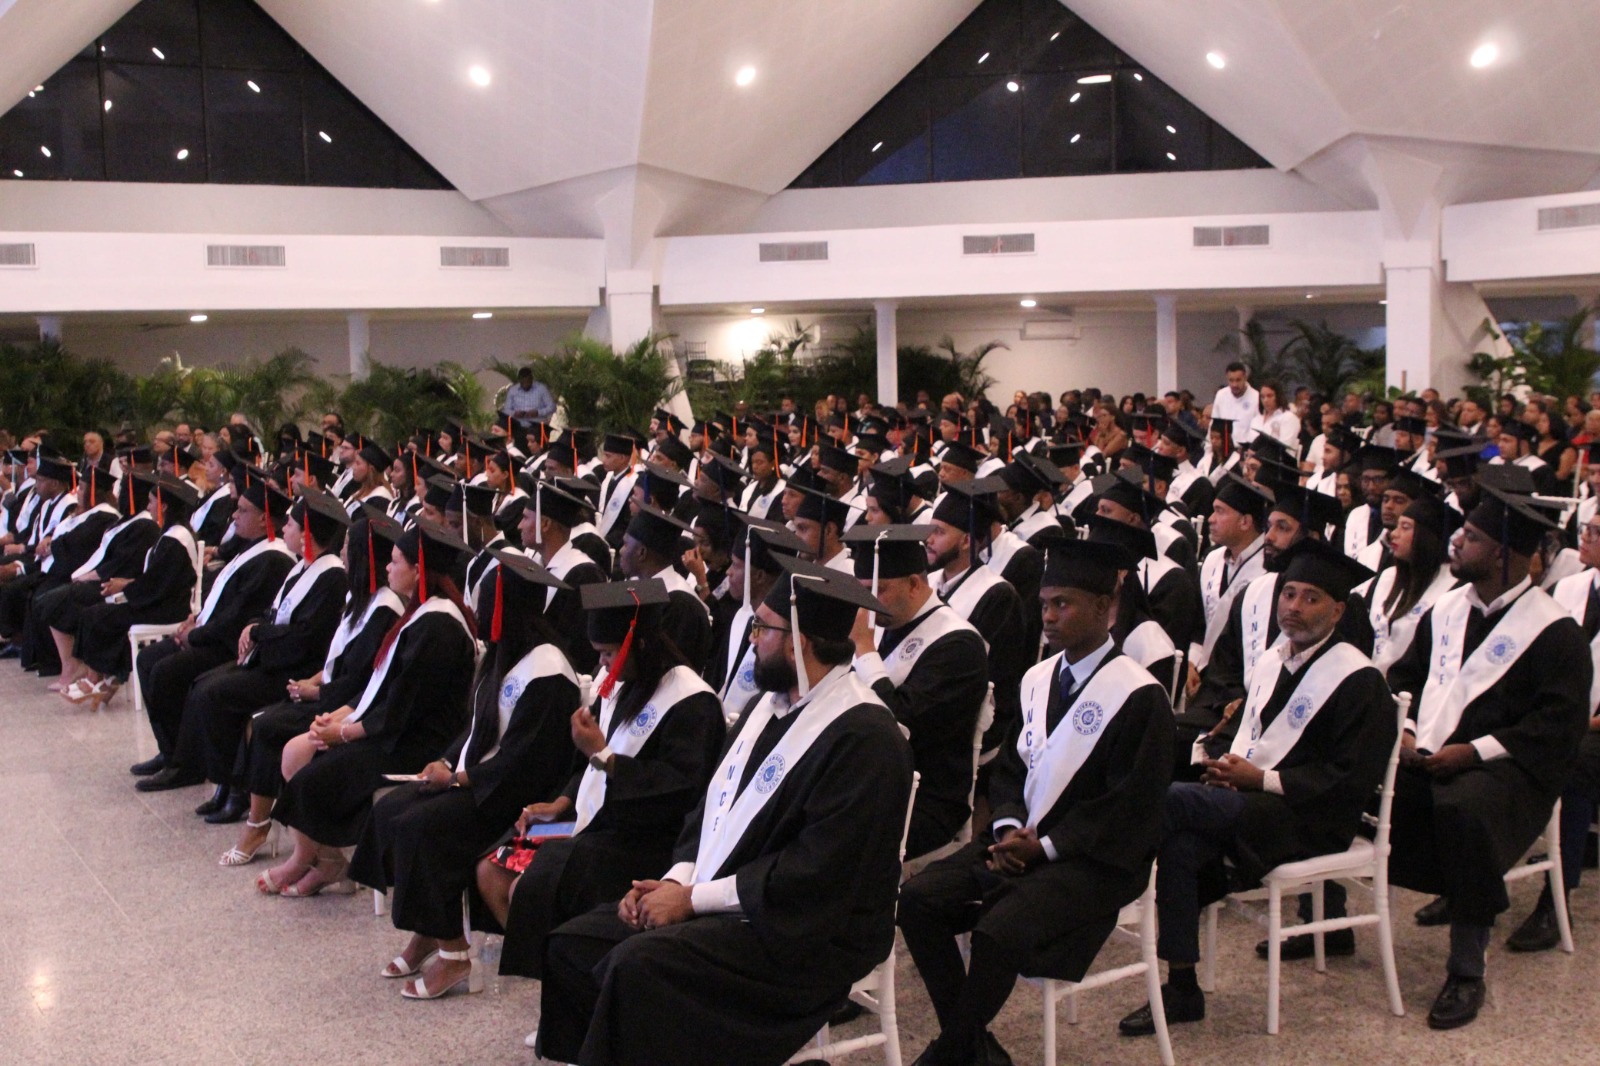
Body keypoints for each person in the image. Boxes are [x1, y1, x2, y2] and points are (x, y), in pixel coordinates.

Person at [534, 559, 914, 1066]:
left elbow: (814, 873)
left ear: (800, 640)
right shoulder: (768, 706)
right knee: (572, 945)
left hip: (806, 931)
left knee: (637, 967)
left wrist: (692, 901)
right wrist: (673, 881)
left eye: (763, 628)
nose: (753, 638)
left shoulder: (867, 738)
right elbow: (707, 810)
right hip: (732, 899)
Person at [899, 539, 1175, 1064]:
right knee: (917, 901)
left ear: (1103, 606)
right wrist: (1005, 828)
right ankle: (973, 1046)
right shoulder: (1037, 678)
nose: (1048, 617)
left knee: (999, 931)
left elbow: (1129, 807)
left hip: (1093, 857)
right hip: (1017, 837)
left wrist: (1044, 847)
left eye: (1063, 604)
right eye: (1045, 604)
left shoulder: (1140, 696)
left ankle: (952, 1051)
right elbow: (1012, 768)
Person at [1120, 538, 1393, 1037]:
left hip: (1314, 818)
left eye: (1311, 598)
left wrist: (1259, 778)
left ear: (1337, 609)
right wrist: (1222, 760)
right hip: (1253, 806)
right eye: (1289, 594)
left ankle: (1096, 870)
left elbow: (1349, 779)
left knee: (1168, 801)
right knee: (1179, 846)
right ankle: (1182, 988)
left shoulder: (1359, 681)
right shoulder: (1274, 659)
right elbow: (1247, 731)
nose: (1293, 607)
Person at [1385, 485, 1591, 1029]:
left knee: (1464, 810)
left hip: (1511, 771)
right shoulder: (1447, 611)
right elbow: (1404, 677)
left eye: (1471, 536)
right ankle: (1331, 922)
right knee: (1358, 785)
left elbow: (1556, 728)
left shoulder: (1554, 633)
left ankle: (1467, 966)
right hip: (1428, 754)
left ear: (1502, 552)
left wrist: (1474, 751)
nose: (1456, 541)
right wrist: (1405, 731)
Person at [477, 578, 725, 999]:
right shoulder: (623, 688)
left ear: (638, 645)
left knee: (529, 884)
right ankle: (558, 981)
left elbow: (679, 791)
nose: (605, 667)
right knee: (492, 869)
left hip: (642, 840)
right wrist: (561, 801)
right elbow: (589, 766)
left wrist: (607, 757)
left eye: (610, 654)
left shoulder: (690, 702)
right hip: (594, 822)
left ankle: (569, 991)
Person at [352, 550, 582, 999]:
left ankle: (455, 955)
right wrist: (444, 761)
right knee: (392, 809)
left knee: (421, 826)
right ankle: (430, 928)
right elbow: (475, 726)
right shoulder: (505, 653)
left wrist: (459, 780)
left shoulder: (548, 670)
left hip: (516, 796)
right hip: (482, 780)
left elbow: (526, 762)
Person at [260, 521, 480, 898]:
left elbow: (402, 709)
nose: (388, 569)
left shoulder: (438, 627)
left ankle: (321, 862)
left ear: (418, 570)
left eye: (395, 562)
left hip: (418, 745)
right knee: (301, 751)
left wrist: (344, 732)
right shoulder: (422, 612)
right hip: (395, 731)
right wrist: (342, 716)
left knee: (314, 777)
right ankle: (322, 860)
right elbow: (384, 689)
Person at [217, 514, 407, 866]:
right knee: (264, 720)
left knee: (266, 726)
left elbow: (363, 678)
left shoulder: (385, 609)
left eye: (349, 547)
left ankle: (261, 825)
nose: (343, 553)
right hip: (334, 694)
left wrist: (316, 695)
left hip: (351, 705)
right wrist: (316, 680)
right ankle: (279, 829)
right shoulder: (359, 599)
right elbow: (340, 659)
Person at [182, 490, 351, 823]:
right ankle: (224, 781)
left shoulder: (330, 577)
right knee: (203, 683)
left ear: (306, 534)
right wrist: (254, 625)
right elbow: (272, 612)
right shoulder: (302, 569)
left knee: (215, 694)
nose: (283, 529)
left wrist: (259, 633)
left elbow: (306, 636)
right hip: (272, 659)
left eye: (289, 524)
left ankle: (237, 789)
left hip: (293, 671)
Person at [130, 481, 296, 791]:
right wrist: (197, 619)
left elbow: (239, 615)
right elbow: (223, 600)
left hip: (229, 646)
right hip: (213, 633)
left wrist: (196, 635)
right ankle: (171, 752)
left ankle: (185, 765)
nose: (234, 516)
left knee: (167, 671)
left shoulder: (273, 558)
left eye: (243, 511)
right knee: (149, 659)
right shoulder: (251, 549)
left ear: (264, 519)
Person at [843, 524, 989, 859]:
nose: (868, 603)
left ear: (913, 584)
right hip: (864, 781)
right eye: (862, 591)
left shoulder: (958, 645)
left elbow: (903, 726)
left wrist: (865, 652)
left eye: (879, 590)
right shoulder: (880, 624)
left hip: (923, 797)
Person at [1512, 506, 1600, 951]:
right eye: (1588, 528)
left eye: (1597, 532)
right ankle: (1472, 881)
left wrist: (1582, 721)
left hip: (1595, 725)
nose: (1586, 537)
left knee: (1577, 762)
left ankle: (1554, 899)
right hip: (1565, 711)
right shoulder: (1570, 586)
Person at [55, 474, 202, 707]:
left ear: (163, 506)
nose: (148, 506)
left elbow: (158, 585)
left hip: (170, 608)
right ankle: (106, 677)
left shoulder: (176, 538)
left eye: (152, 501)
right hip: (160, 600)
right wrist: (127, 585)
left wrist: (126, 588)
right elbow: (155, 580)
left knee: (98, 615)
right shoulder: (170, 533)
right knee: (97, 612)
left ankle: (97, 677)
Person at [1211, 362, 1260, 444]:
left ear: (1245, 378)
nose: (1234, 384)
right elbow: (1214, 425)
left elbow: (1257, 429)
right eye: (1231, 380)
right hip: (1225, 448)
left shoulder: (1256, 397)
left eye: (1238, 380)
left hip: (1246, 448)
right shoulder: (1221, 395)